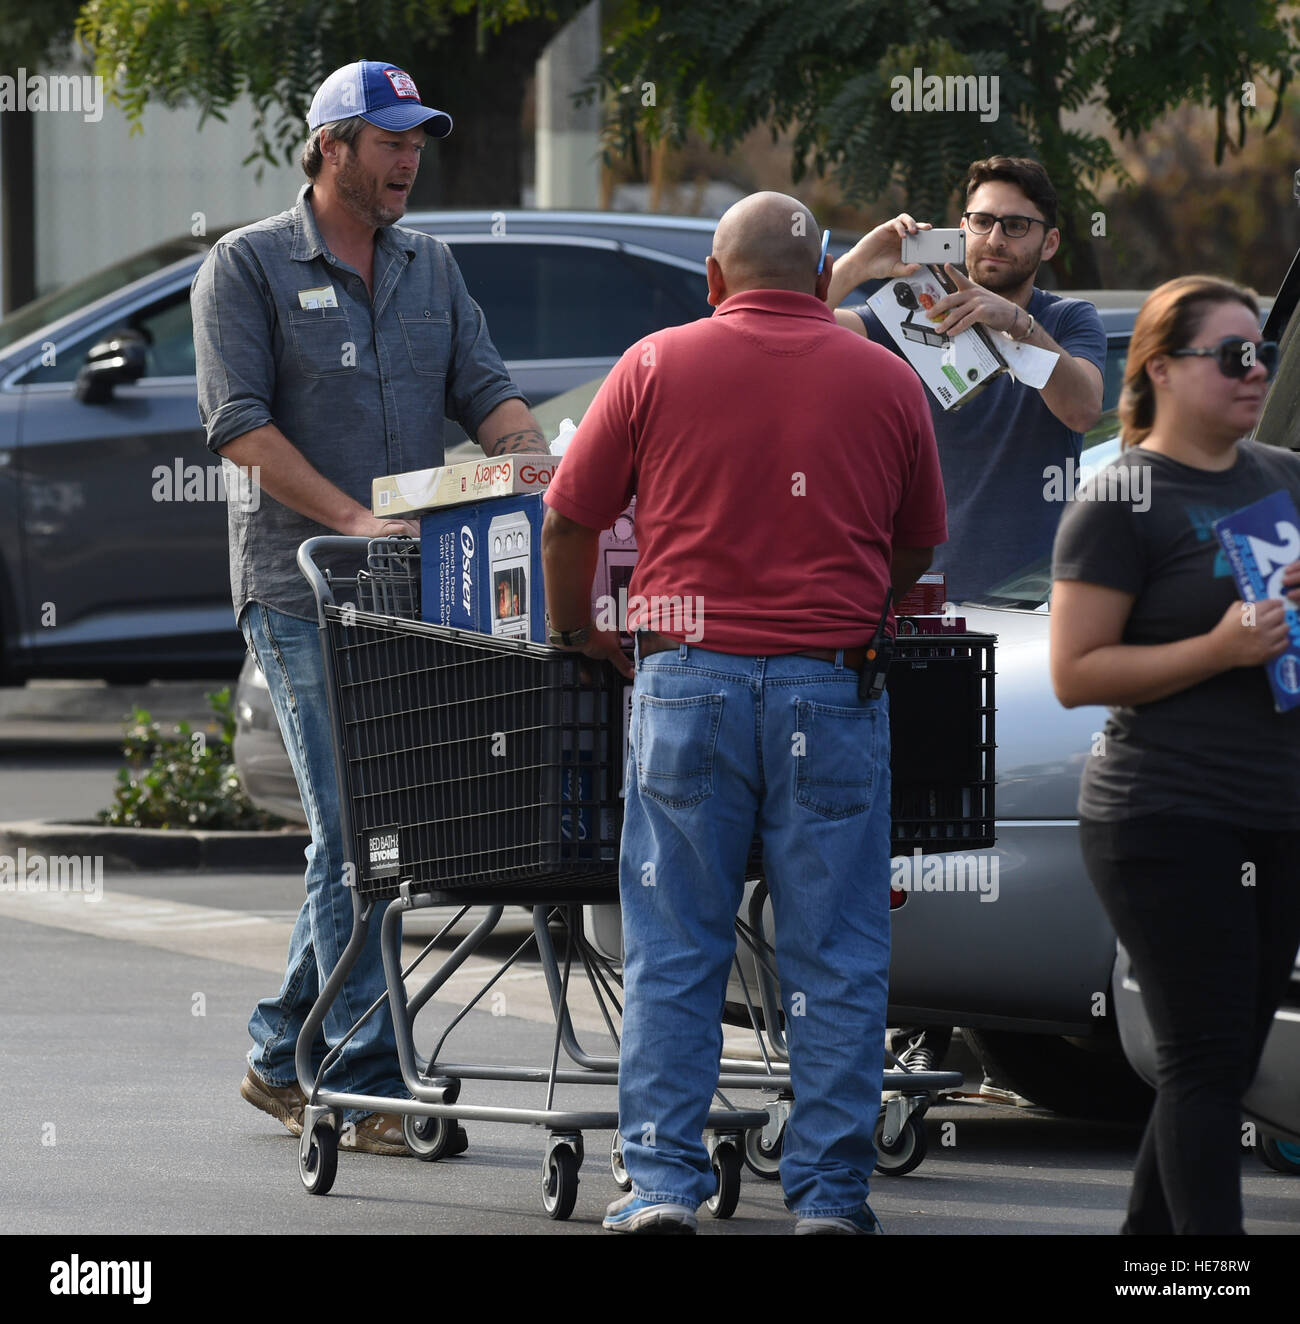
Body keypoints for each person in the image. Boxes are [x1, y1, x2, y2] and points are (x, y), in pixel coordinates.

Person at [541, 191, 947, 1233]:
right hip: (833, 682)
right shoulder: (886, 379)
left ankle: (663, 1185)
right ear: (821, 281)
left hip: (685, 679)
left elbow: (568, 517)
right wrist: (858, 594)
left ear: (714, 281)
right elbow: (916, 548)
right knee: (836, 953)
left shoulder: (654, 363)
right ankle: (826, 1196)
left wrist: (584, 629)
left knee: (675, 945)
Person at [192, 60, 548, 1155]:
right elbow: (238, 426)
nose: (408, 161)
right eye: (388, 140)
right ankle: (362, 1077)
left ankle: (276, 1048)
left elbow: (485, 393)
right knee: (356, 828)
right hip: (301, 587)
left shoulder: (429, 266)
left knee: (383, 831)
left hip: (419, 588)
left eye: (416, 143)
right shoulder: (246, 264)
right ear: (330, 145)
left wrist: (532, 461)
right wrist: (346, 517)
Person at [1050, 275, 1300, 1234]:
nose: (1255, 371)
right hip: (1162, 813)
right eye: (1233, 355)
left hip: (1274, 807)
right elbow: (1076, 672)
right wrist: (1221, 648)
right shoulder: (1121, 496)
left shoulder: (1279, 474)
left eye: (1262, 354)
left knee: (1228, 1058)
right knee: (1202, 1058)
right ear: (1161, 367)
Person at [828, 156, 1105, 604]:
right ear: (961, 230)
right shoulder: (920, 310)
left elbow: (1083, 410)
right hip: (921, 602)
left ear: (1049, 243)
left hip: (1031, 603)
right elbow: (792, 327)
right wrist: (858, 264)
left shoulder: (1066, 319)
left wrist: (1019, 323)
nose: (995, 239)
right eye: (983, 221)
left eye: (1016, 226)